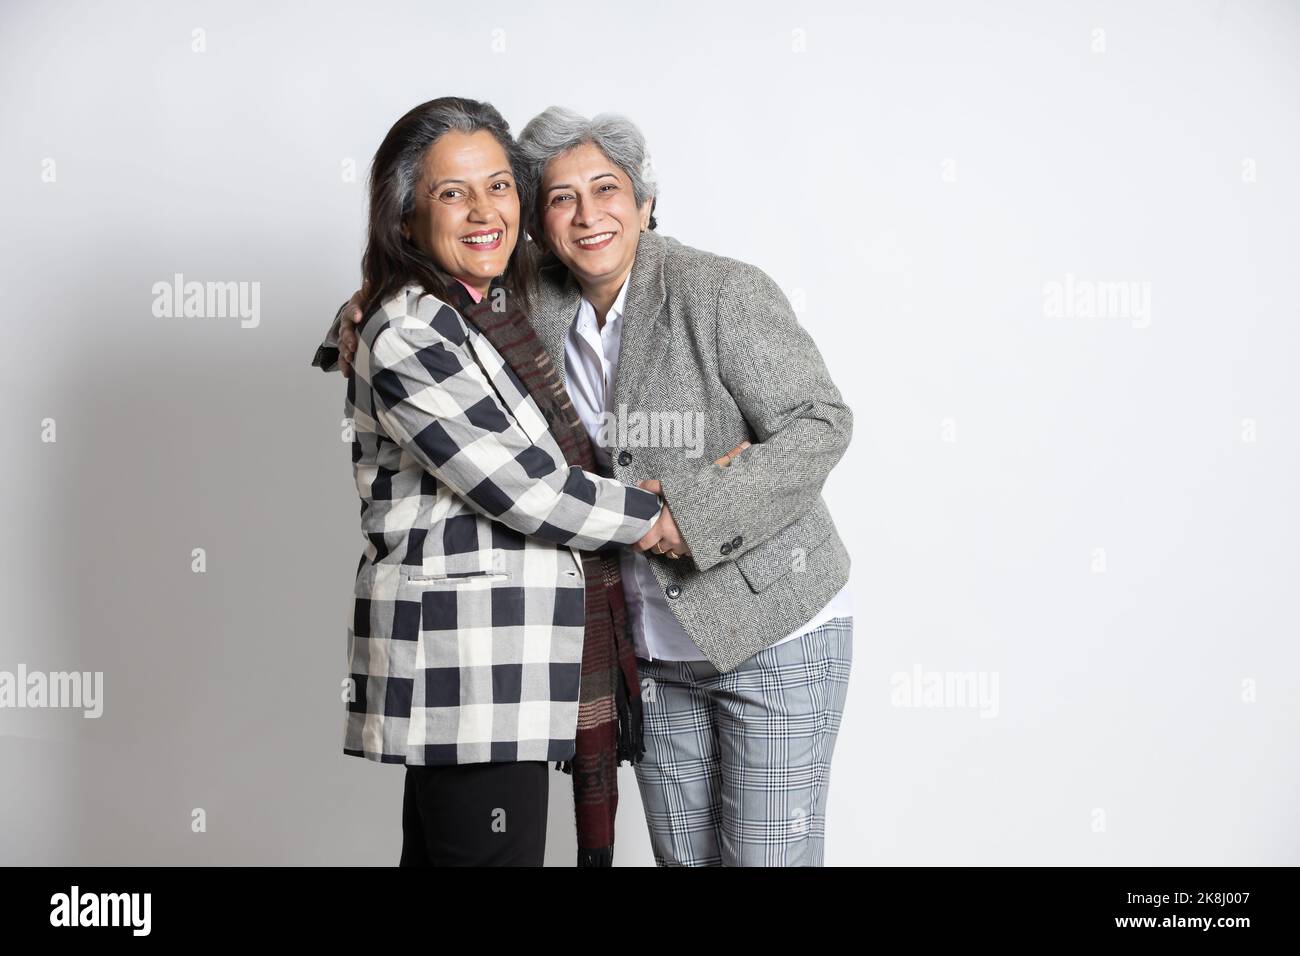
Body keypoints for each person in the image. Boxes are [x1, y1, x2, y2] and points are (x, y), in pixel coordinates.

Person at [331, 107, 856, 866]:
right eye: (561, 198)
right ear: (540, 222)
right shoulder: (525, 300)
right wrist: (357, 308)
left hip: (770, 627)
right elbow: (431, 305)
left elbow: (821, 423)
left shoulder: (719, 293)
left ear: (645, 202)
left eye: (608, 189)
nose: (589, 215)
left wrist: (692, 511)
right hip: (652, 648)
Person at [314, 96, 688, 866]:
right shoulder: (410, 330)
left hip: (495, 663)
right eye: (452, 193)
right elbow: (523, 489)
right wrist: (653, 515)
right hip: (470, 668)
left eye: (500, 186)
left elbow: (587, 243)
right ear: (406, 219)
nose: (485, 211)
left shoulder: (484, 311)